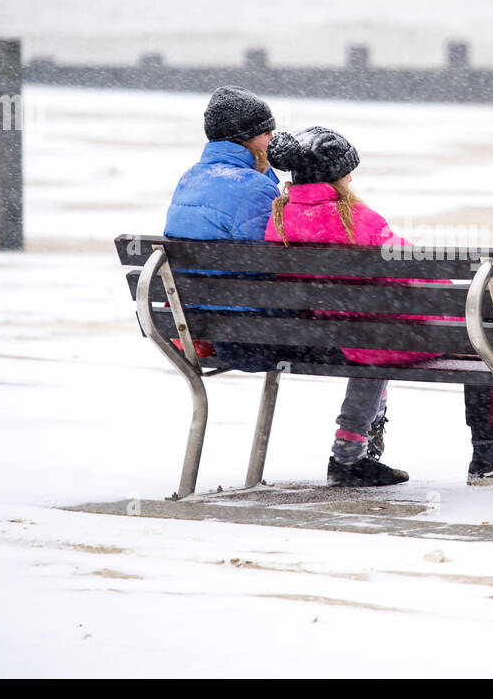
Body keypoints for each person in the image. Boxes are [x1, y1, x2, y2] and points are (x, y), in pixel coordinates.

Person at [265, 126, 493, 487]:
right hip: (384, 341)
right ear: (340, 176)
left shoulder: (279, 220)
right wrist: (450, 292)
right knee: (485, 323)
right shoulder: (360, 221)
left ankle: (348, 455)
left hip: (340, 338)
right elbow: (414, 275)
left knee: (378, 335)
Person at [163, 87, 401, 485]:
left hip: (209, 335)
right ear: (248, 138)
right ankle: (354, 456)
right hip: (260, 339)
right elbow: (284, 269)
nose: (273, 142)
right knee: (373, 334)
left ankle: (357, 454)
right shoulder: (255, 189)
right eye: (267, 134)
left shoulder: (191, 179)